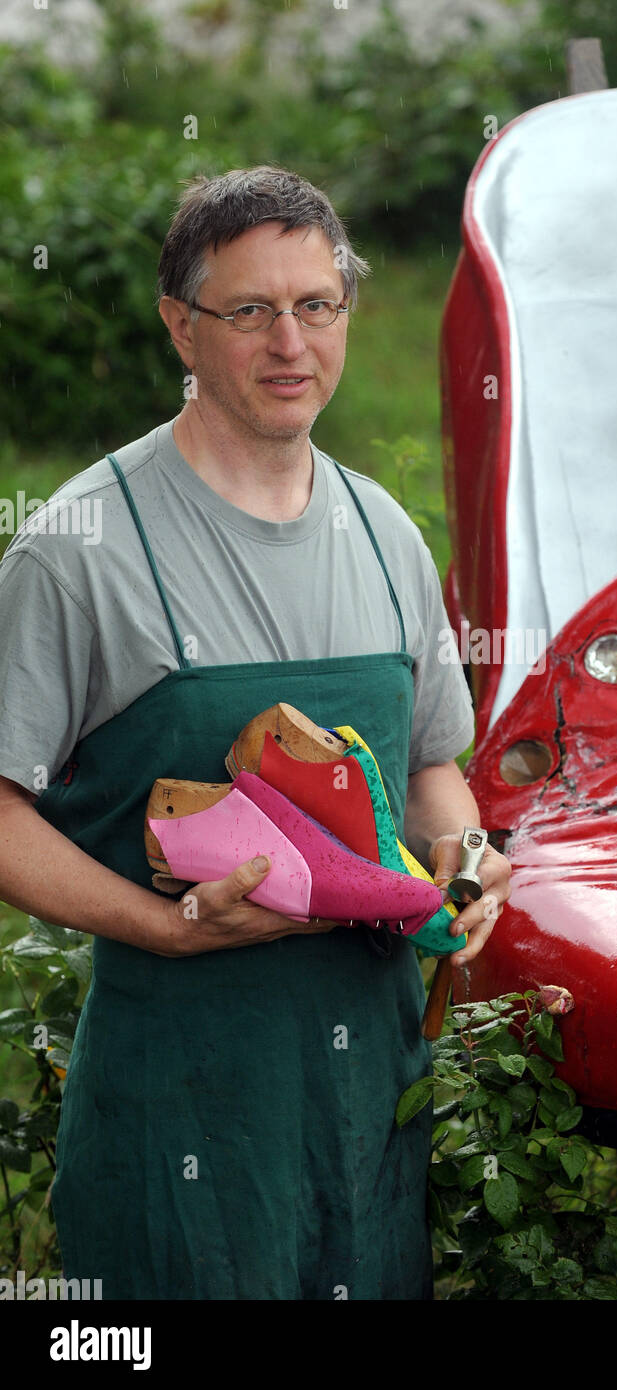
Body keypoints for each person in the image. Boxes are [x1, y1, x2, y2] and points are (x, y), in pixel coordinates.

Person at [0, 164, 511, 1299]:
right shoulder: (82, 547)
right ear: (180, 325)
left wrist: (467, 857)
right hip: (179, 1104)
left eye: (316, 305)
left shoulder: (385, 534)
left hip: (367, 1104)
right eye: (249, 311)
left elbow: (432, 765)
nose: (291, 343)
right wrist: (166, 925)